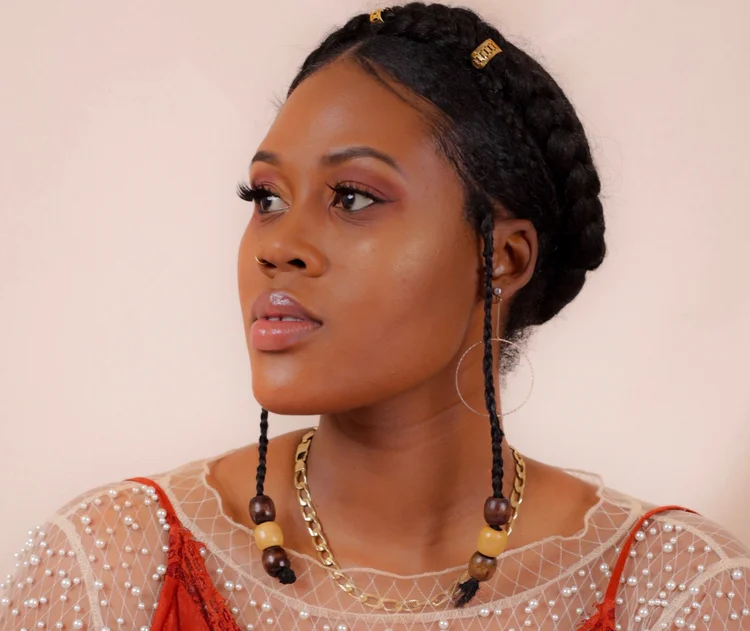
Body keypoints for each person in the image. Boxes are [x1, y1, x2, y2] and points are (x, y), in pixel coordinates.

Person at [2, 3, 749, 630]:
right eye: (267, 198)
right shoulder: (114, 566)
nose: (278, 247)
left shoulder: (677, 592)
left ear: (503, 258)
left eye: (352, 197)